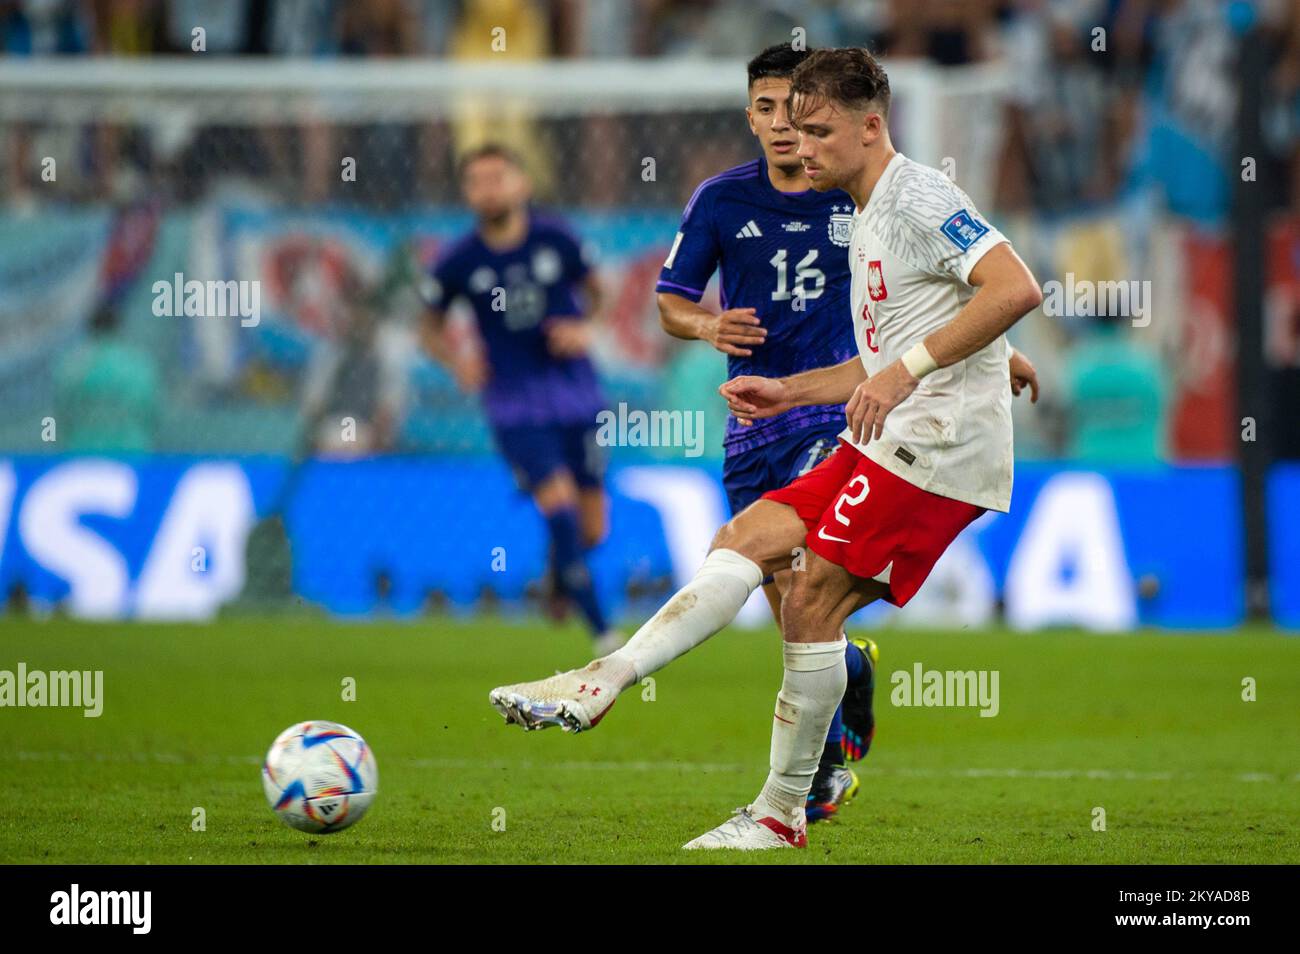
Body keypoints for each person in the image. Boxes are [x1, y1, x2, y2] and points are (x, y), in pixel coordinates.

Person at [488, 47, 1043, 850]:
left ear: (870, 126)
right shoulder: (855, 208)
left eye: (818, 130)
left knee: (810, 600)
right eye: (787, 123)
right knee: (743, 542)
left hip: (935, 448)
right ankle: (601, 679)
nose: (799, 144)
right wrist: (789, 390)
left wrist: (917, 372)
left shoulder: (918, 197)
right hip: (887, 433)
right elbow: (885, 351)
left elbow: (1015, 286)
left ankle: (781, 814)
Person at [656, 42, 875, 822]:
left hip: (835, 411)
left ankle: (805, 780)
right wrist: (708, 325)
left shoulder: (858, 194)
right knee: (790, 610)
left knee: (808, 577)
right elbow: (670, 301)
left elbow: (935, 281)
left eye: (794, 109)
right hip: (752, 426)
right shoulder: (720, 201)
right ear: (748, 116)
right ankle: (848, 676)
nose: (781, 125)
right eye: (764, 108)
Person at [422, 144, 622, 654]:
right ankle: (604, 633)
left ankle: (560, 579)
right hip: (514, 403)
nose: (489, 189)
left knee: (591, 529)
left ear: (522, 184)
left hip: (577, 395)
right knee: (557, 504)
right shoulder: (460, 260)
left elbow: (599, 292)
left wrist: (583, 328)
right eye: (477, 181)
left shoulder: (556, 237)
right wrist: (458, 362)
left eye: (498, 177)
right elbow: (428, 326)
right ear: (467, 192)